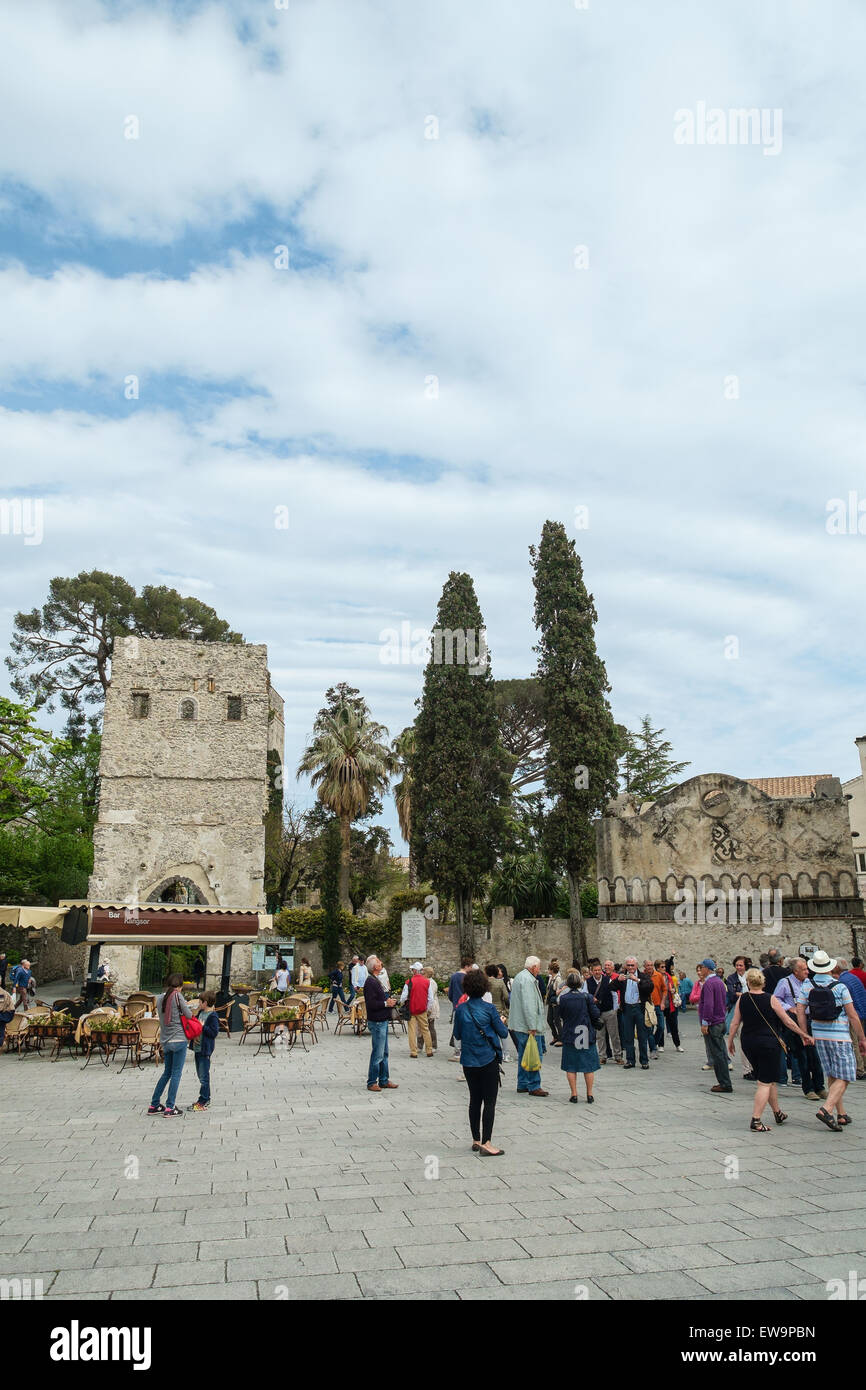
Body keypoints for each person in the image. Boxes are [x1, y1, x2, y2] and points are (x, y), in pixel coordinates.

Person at [728, 967, 815, 1131]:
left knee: (767, 1078)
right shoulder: (771, 998)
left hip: (748, 1042)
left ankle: (777, 1112)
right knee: (765, 1082)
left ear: (748, 982)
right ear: (763, 982)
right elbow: (787, 1021)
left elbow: (735, 1022)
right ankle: (756, 1120)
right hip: (768, 1043)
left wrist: (731, 1040)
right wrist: (803, 1034)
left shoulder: (743, 999)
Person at [797, 950, 866, 1130]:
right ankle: (826, 1109)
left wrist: (805, 1033)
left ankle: (841, 1113)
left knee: (833, 1075)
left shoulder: (807, 985)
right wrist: (862, 1037)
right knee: (847, 1074)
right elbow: (852, 1016)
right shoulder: (839, 986)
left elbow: (800, 1010)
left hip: (819, 1035)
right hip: (840, 1037)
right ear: (829, 967)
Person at [453, 968, 509, 1156]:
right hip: (487, 1059)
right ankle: (487, 1142)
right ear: (485, 988)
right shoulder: (489, 1009)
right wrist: (500, 1020)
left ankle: (476, 1139)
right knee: (490, 1102)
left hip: (468, 1061)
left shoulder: (461, 1009)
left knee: (474, 1100)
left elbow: (457, 1035)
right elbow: (503, 1033)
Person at [773, 957, 826, 1100]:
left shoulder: (809, 983)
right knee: (802, 1056)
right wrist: (789, 1007)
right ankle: (808, 1089)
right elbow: (776, 999)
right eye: (804, 970)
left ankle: (820, 1086)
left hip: (810, 1021)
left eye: (807, 969)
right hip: (795, 1023)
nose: (807, 972)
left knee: (815, 1056)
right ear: (795, 971)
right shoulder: (785, 983)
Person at [148, 974, 194, 1116]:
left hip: (166, 1040)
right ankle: (170, 1106)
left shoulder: (160, 998)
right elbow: (189, 1015)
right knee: (176, 1074)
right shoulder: (177, 996)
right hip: (179, 1039)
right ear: (180, 986)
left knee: (166, 1073)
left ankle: (154, 1104)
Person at [508, 955, 548, 1096]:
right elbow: (529, 1005)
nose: (539, 969)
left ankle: (522, 1083)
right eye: (538, 967)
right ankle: (534, 1085)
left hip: (519, 1024)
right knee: (533, 1055)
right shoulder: (528, 980)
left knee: (524, 1054)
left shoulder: (520, 977)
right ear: (533, 967)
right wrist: (532, 1026)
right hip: (527, 1026)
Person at [558, 971, 602, 1102]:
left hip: (570, 1033)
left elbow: (561, 1015)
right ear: (580, 983)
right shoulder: (587, 997)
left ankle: (574, 1094)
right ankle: (589, 1094)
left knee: (571, 1065)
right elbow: (595, 1014)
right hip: (585, 1032)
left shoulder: (564, 998)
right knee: (588, 1065)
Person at [363, 956, 399, 1093]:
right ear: (374, 967)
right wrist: (386, 1003)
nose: (381, 962)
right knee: (378, 1053)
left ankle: (384, 1079)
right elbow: (371, 1004)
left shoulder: (375, 980)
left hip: (381, 1020)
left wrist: (387, 1000)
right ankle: (372, 1081)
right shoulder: (371, 982)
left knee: (384, 1052)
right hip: (377, 1021)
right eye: (378, 961)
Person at [697, 958, 732, 1093]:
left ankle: (724, 1083)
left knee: (717, 1054)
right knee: (721, 1052)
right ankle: (725, 1081)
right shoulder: (719, 982)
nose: (701, 971)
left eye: (702, 968)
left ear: (707, 969)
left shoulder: (709, 984)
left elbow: (709, 1004)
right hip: (721, 1021)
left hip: (713, 1023)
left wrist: (705, 1022)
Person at [612, 957, 653, 1069]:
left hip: (639, 1008)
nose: (630, 967)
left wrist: (637, 980)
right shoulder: (623, 976)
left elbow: (650, 987)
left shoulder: (642, 976)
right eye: (628, 965)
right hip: (627, 1009)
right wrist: (617, 980)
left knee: (642, 1036)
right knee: (628, 1036)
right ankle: (630, 1060)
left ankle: (644, 1061)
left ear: (636, 966)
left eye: (632, 965)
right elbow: (611, 987)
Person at [586, 962, 621, 1065]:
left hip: (609, 1011)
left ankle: (618, 1055)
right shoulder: (587, 982)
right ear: (592, 971)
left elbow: (614, 994)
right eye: (595, 970)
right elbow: (584, 995)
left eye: (599, 970)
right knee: (600, 1036)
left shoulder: (607, 980)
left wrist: (615, 1009)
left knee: (614, 1035)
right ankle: (602, 1056)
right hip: (596, 1013)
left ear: (602, 970)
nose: (597, 972)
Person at [190, 991, 219, 1111]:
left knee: (204, 1076)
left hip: (205, 1049)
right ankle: (204, 1098)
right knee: (200, 1074)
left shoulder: (212, 1016)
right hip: (197, 1047)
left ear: (205, 1003)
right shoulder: (201, 1013)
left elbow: (214, 1032)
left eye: (200, 1002)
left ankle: (204, 1099)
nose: (198, 1003)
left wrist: (203, 1027)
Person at [836, 959, 866, 1080]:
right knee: (861, 1039)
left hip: (854, 1013)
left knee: (854, 1041)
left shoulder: (843, 981)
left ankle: (859, 1069)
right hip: (862, 1011)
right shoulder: (852, 977)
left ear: (837, 968)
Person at [400, 963, 435, 1058]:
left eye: (412, 970)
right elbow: (430, 999)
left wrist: (402, 1003)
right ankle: (429, 1050)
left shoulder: (409, 982)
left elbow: (403, 997)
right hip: (422, 1010)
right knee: (425, 1029)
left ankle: (413, 1052)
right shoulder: (427, 982)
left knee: (412, 1031)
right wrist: (426, 1008)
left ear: (415, 971)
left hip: (411, 1009)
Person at [447, 956, 473, 1061]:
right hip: (467, 1005)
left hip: (457, 1006)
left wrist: (454, 1001)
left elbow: (450, 992)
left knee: (457, 1028)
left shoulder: (454, 976)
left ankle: (457, 1052)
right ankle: (465, 1050)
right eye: (470, 966)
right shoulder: (468, 977)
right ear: (466, 966)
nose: (471, 968)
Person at [484, 965, 510, 1062]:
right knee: (502, 1032)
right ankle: (506, 1054)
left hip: (487, 1010)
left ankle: (493, 1052)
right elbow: (506, 996)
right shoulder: (500, 982)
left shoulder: (485, 983)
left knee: (490, 1032)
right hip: (499, 1010)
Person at [660, 959, 684, 1052]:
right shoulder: (657, 977)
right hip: (660, 1004)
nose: (664, 968)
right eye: (662, 967)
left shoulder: (669, 976)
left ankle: (677, 1045)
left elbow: (672, 987)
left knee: (674, 1026)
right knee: (661, 1026)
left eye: (665, 967)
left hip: (670, 1004)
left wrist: (673, 989)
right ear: (658, 968)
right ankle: (661, 1045)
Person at [545, 959, 563, 1046]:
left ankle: (561, 1038)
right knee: (549, 1020)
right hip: (550, 1002)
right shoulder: (551, 978)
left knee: (557, 1020)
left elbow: (559, 990)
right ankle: (555, 1036)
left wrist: (557, 993)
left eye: (548, 969)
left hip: (556, 1002)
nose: (548, 970)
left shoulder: (558, 979)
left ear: (551, 970)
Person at [423, 967, 440, 1050]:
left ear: (426, 973)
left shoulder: (431, 983)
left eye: (423, 972)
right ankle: (421, 1045)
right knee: (423, 1026)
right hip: (426, 1005)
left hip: (431, 1006)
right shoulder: (427, 981)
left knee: (430, 1026)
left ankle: (434, 1045)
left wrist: (429, 1010)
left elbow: (431, 997)